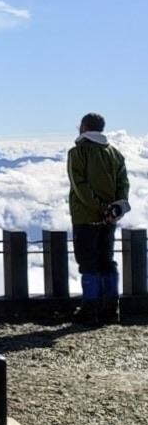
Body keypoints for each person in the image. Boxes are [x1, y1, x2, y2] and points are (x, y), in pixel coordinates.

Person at [67, 112, 129, 324]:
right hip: (110, 219)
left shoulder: (77, 152)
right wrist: (115, 208)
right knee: (107, 261)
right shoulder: (115, 153)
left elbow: (80, 186)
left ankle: (89, 308)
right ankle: (111, 309)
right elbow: (123, 184)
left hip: (86, 218)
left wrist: (99, 207)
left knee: (88, 263)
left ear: (84, 127)